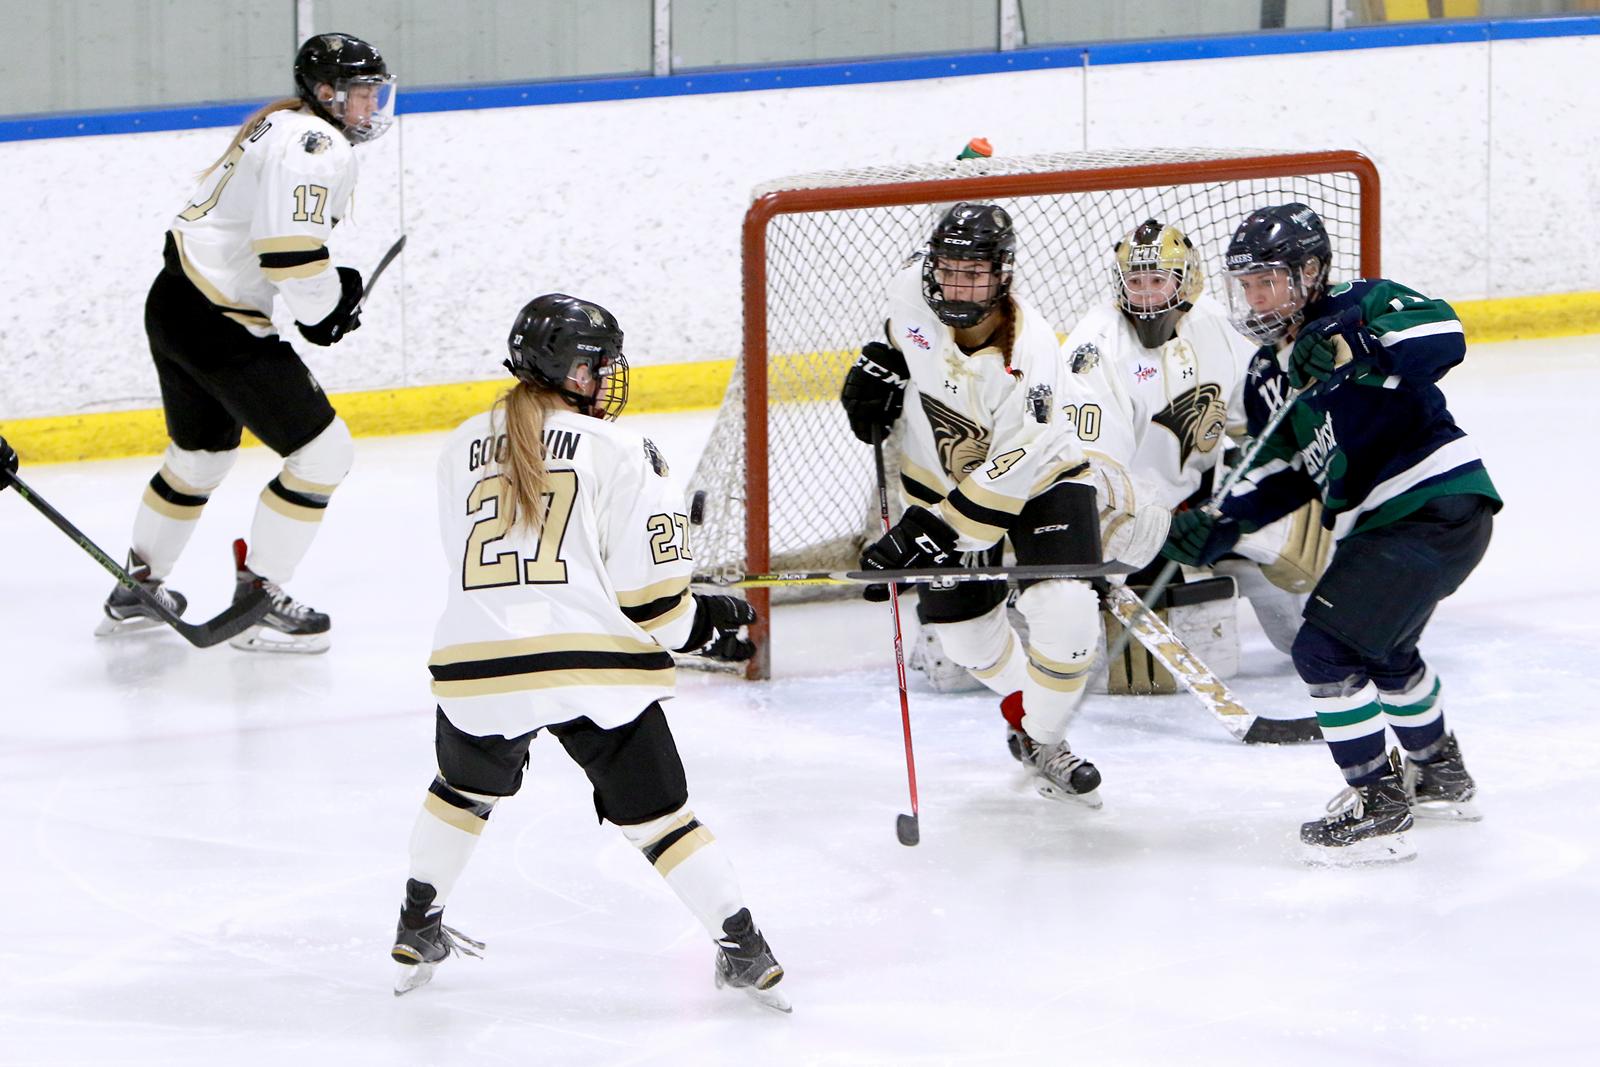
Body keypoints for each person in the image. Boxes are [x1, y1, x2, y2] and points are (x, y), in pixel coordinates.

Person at [389, 294, 787, 1012]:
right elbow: (657, 611)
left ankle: (418, 922)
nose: (608, 377)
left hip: (474, 661)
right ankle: (745, 947)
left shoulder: (456, 447)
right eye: (597, 365)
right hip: (591, 666)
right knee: (663, 822)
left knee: (462, 790)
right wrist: (710, 615)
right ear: (568, 371)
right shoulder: (622, 449)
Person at [1163, 203, 1500, 864]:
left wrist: (1356, 347)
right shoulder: (1267, 374)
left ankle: (1377, 799)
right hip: (1392, 525)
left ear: (1311, 270)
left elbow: (1444, 336)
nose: (1256, 296)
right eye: (1247, 283)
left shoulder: (1361, 303)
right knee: (1386, 653)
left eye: (1269, 280)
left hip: (1435, 502)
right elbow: (1288, 477)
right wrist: (1221, 527)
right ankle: (1440, 772)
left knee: (1323, 648)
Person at [840, 202, 1169, 808]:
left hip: (1042, 478)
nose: (959, 286)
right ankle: (1027, 717)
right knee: (967, 643)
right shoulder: (911, 289)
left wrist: (933, 531)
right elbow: (899, 330)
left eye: (977, 272)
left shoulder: (1035, 353)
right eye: (949, 270)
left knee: (1068, 613)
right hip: (934, 479)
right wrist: (880, 362)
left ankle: (1045, 739)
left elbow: (1016, 466)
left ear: (1004, 275)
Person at [97, 33, 397, 653]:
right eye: (361, 94)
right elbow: (286, 251)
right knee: (323, 456)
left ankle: (137, 588)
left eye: (374, 93)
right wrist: (327, 310)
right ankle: (260, 601)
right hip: (218, 324)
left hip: (175, 303)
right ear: (325, 95)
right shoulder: (316, 144)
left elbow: (275, 245)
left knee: (199, 459)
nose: (371, 107)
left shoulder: (281, 125)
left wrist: (323, 301)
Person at [1056, 218, 1329, 737]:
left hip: (1201, 504)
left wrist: (1256, 495)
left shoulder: (1217, 325)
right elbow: (1094, 472)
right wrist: (1142, 533)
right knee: (1134, 675)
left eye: (1158, 280)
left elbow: (1254, 427)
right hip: (1129, 523)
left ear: (1187, 281)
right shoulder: (1094, 350)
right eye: (1135, 282)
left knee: (1301, 536)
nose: (1146, 294)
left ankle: (1335, 646)